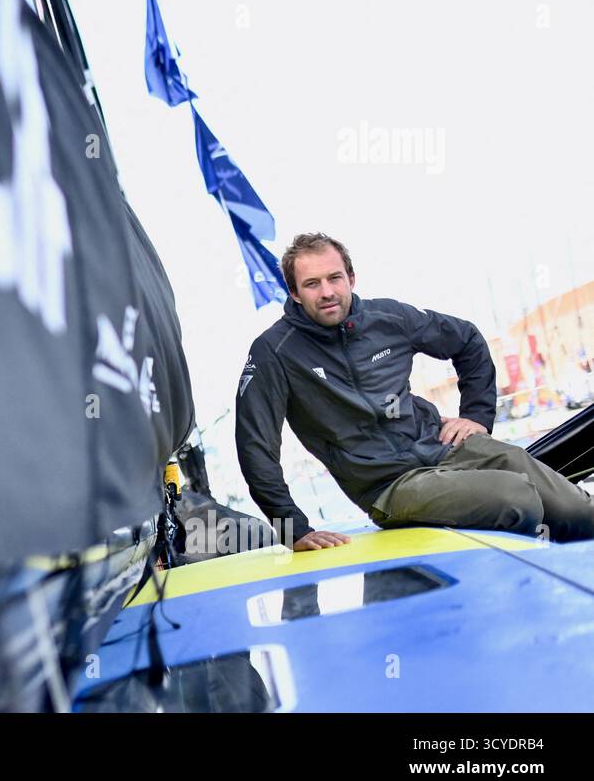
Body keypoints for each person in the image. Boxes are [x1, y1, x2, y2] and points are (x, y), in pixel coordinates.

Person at [234, 232, 594, 551]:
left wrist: (476, 416)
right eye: (312, 284)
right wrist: (292, 527)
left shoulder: (389, 318)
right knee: (516, 498)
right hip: (390, 484)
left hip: (443, 446)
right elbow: (256, 444)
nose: (327, 292)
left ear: (351, 279)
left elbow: (467, 339)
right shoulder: (274, 352)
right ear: (294, 293)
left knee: (578, 510)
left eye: (334, 278)